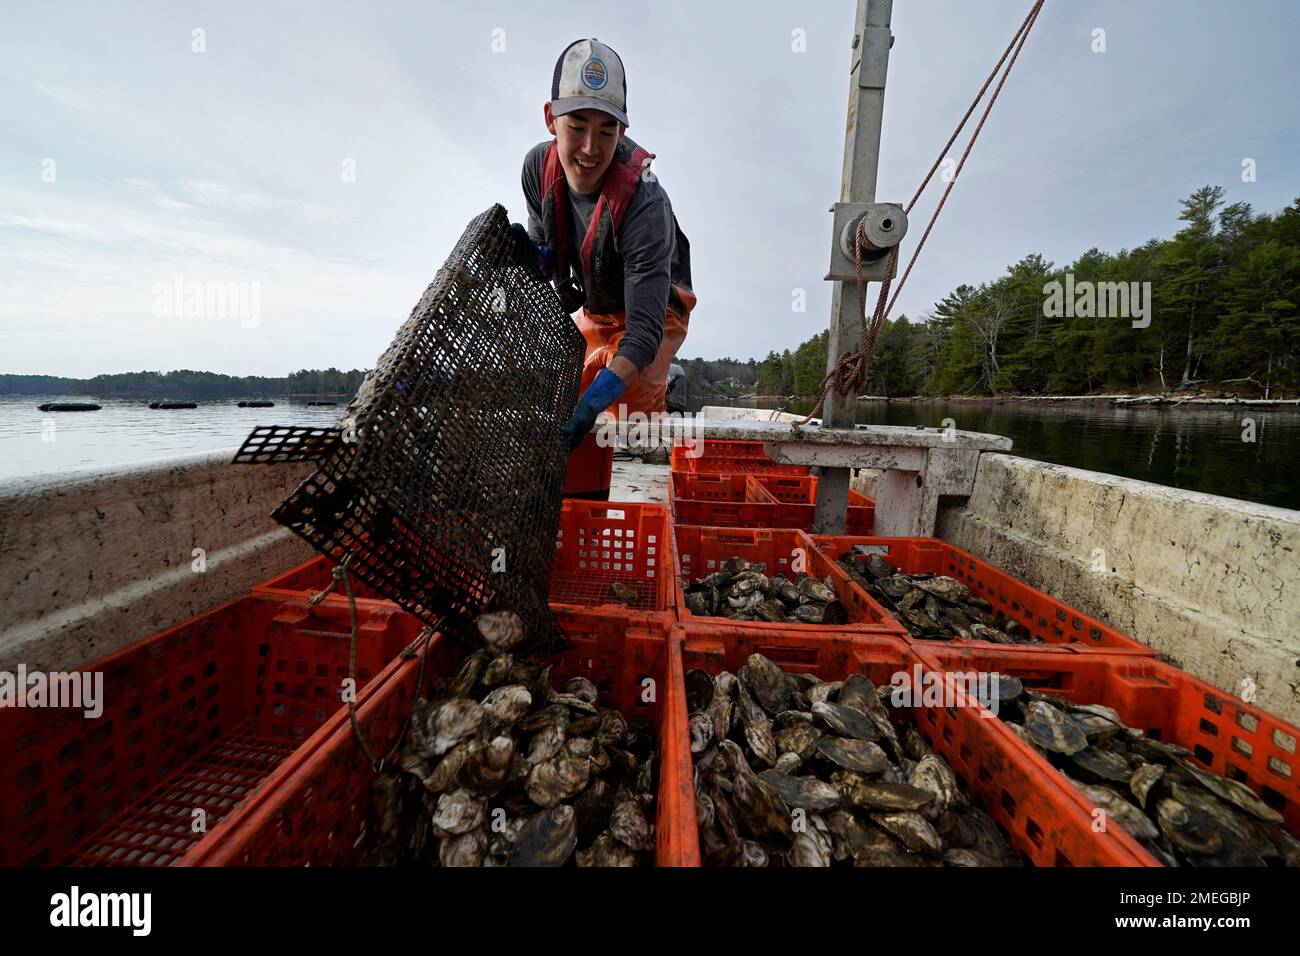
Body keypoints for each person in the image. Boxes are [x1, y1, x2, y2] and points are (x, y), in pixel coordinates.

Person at [518, 38, 695, 499]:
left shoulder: (646, 203)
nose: (590, 149)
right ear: (550, 118)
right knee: (561, 403)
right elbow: (547, 247)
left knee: (633, 426)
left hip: (653, 317)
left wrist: (598, 401)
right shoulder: (537, 168)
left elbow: (642, 334)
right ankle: (575, 500)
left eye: (607, 130)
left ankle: (666, 384)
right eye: (576, 127)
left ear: (621, 131)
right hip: (595, 309)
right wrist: (533, 254)